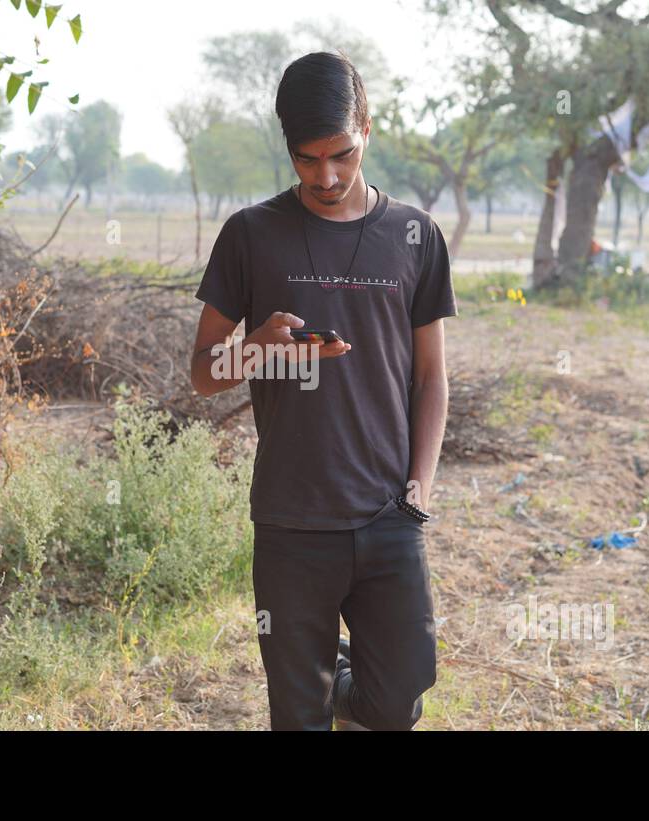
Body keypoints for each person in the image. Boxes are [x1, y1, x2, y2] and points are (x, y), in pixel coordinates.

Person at [189, 51, 456, 730]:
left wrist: (419, 488)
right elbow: (201, 370)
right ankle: (313, 679)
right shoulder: (251, 234)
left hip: (389, 512)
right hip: (290, 522)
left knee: (399, 696)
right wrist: (256, 350)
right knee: (296, 713)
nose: (327, 176)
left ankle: (340, 679)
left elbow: (432, 377)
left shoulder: (414, 235)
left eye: (341, 153)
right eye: (306, 159)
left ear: (367, 124)